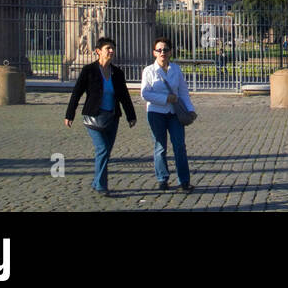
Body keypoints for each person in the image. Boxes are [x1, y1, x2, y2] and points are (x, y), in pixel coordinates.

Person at [65, 36, 136, 196]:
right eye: (107, 48)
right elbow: (77, 93)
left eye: (112, 48)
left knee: (106, 151)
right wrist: (70, 114)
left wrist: (130, 115)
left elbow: (124, 95)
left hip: (112, 117)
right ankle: (102, 186)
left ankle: (97, 181)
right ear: (98, 51)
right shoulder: (88, 70)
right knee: (102, 149)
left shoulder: (117, 72)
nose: (111, 51)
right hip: (93, 116)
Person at [140, 37, 195, 191]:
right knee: (160, 147)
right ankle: (162, 178)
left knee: (179, 146)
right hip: (156, 112)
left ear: (170, 52)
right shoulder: (148, 71)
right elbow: (145, 94)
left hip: (174, 113)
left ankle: (184, 180)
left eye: (165, 49)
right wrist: (165, 99)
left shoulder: (176, 69)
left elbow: (183, 91)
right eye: (159, 50)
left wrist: (190, 109)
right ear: (154, 53)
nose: (162, 52)